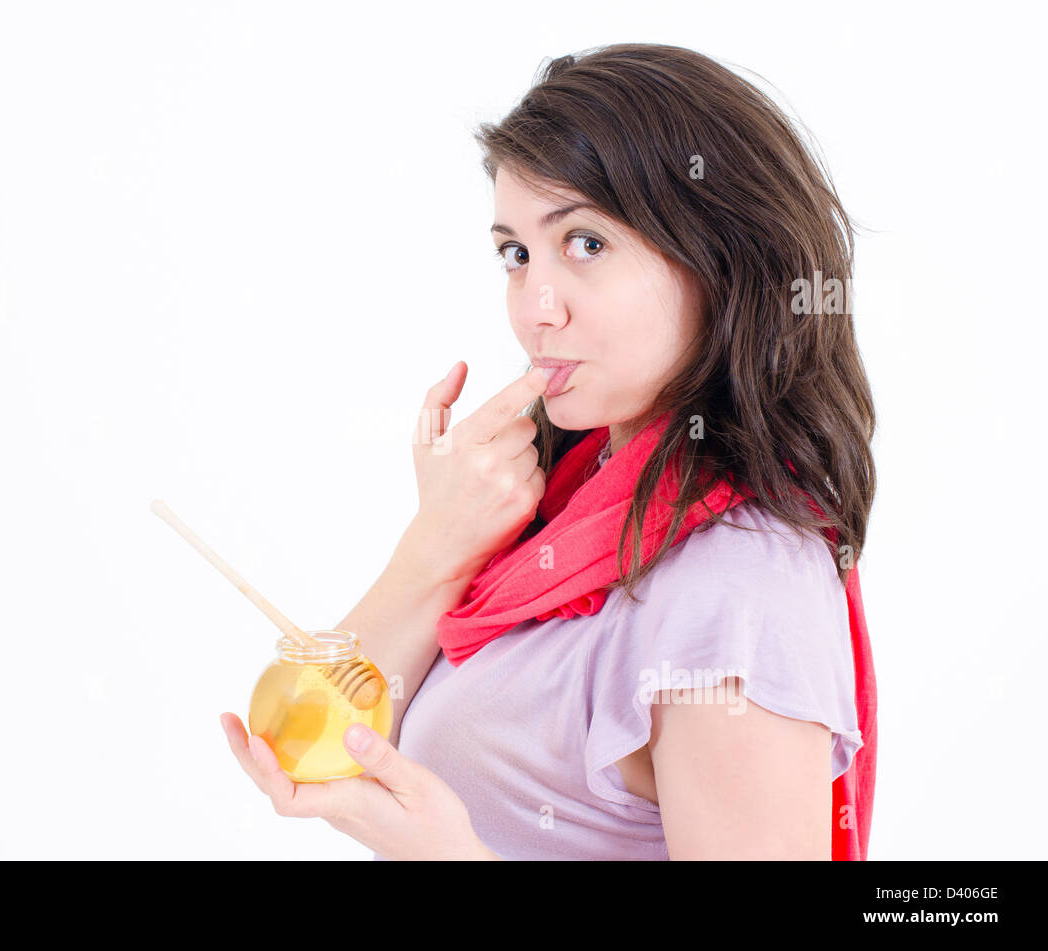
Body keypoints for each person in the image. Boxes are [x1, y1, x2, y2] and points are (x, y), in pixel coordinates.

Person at [220, 42, 876, 860]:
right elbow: (308, 744)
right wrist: (440, 544)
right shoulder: (571, 499)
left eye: (587, 244)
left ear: (723, 260)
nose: (536, 308)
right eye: (516, 252)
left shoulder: (738, 587)